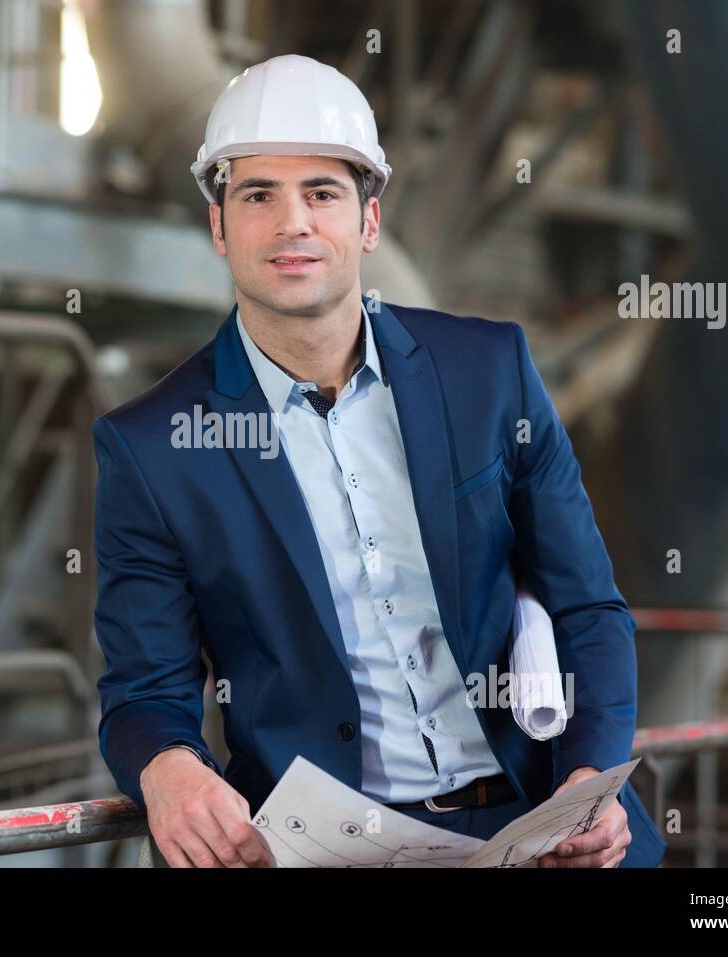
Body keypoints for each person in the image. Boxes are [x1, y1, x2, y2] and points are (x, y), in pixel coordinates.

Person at [92, 53, 666, 869]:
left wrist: (591, 779)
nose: (293, 222)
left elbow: (588, 610)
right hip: (329, 848)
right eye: (258, 195)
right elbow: (144, 691)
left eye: (322, 193)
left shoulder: (489, 372)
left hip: (538, 825)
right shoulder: (152, 448)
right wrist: (168, 766)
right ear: (220, 226)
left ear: (368, 220)